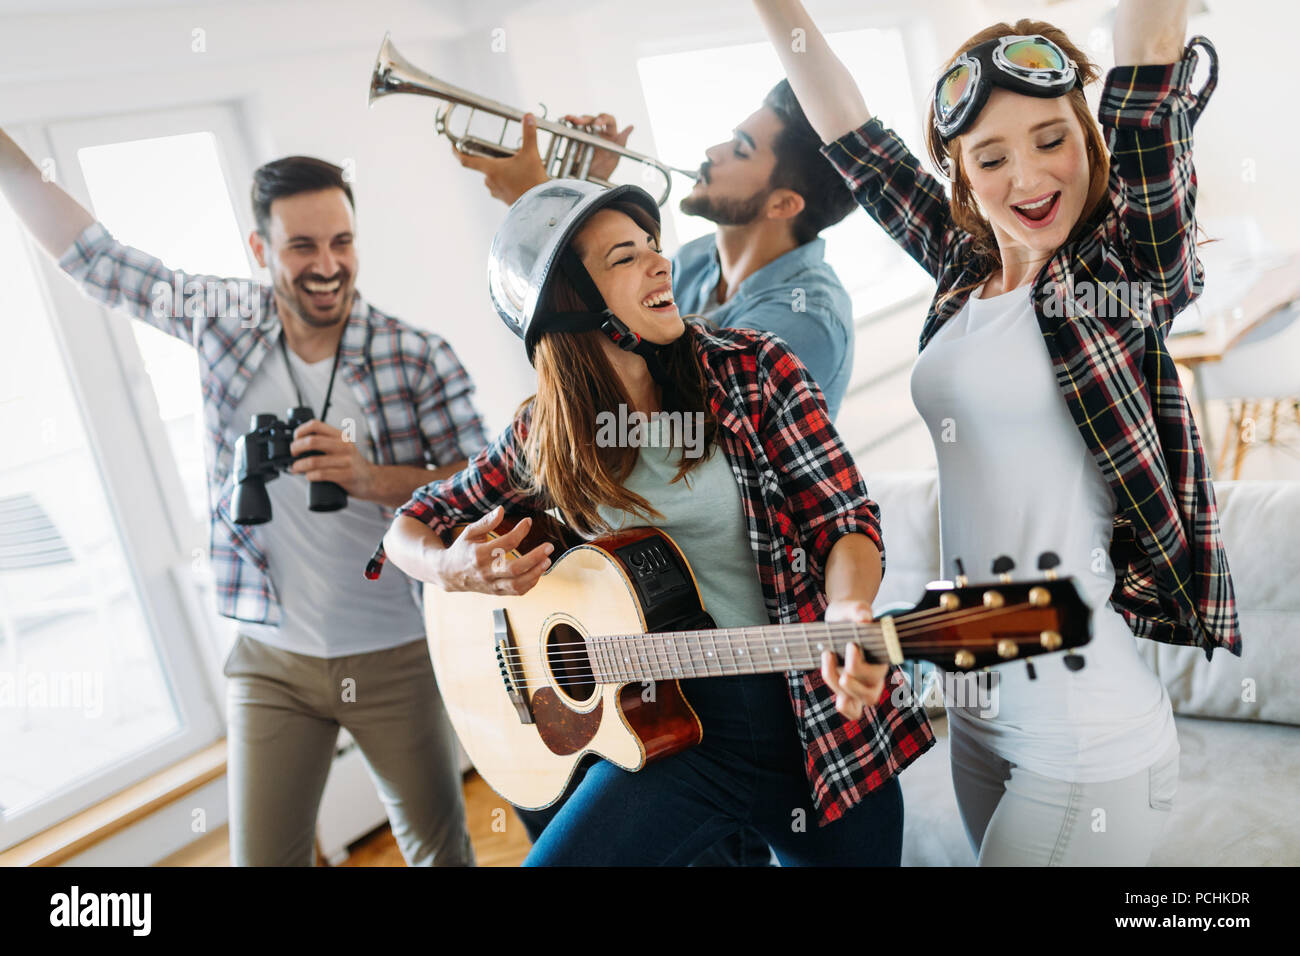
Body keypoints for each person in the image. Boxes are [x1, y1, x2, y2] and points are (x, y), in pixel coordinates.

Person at [752, 0, 1241, 865]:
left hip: (1083, 736)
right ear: (963, 178)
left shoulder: (1123, 275)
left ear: (1089, 137)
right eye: (992, 157)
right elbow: (852, 135)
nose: (1029, 177)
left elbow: (1145, 62)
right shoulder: (961, 268)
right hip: (978, 712)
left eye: (1053, 138)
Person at [373, 179, 934, 865]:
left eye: (652, 246)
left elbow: (843, 518)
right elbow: (409, 525)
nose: (660, 263)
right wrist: (449, 566)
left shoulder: (755, 371)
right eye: (624, 258)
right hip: (668, 731)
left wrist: (848, 605)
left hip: (814, 717)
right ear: (572, 307)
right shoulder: (543, 435)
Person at [0, 136, 484, 867]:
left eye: (343, 242)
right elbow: (96, 260)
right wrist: (9, 162)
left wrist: (370, 477)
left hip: (395, 654)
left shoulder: (415, 353)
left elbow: (479, 481)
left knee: (438, 852)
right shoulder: (225, 319)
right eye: (302, 247)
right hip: (271, 658)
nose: (327, 266)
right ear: (260, 248)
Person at [456, 80, 858, 419]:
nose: (713, 151)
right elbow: (616, 326)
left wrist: (540, 204)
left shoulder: (806, 316)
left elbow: (667, 410)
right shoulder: (694, 258)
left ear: (783, 205)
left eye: (740, 149)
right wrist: (585, 197)